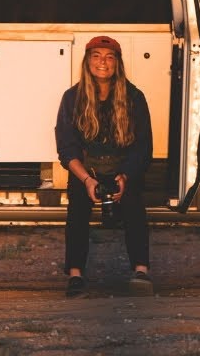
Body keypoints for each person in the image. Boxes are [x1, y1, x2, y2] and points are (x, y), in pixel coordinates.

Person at [54, 35, 154, 298]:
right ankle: (75, 274)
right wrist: (87, 180)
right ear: (88, 62)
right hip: (88, 170)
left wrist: (126, 176)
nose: (103, 62)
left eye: (109, 57)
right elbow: (66, 148)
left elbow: (143, 146)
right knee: (77, 212)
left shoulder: (134, 97)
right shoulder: (72, 97)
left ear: (117, 64)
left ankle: (141, 271)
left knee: (134, 209)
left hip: (122, 166)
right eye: (96, 56)